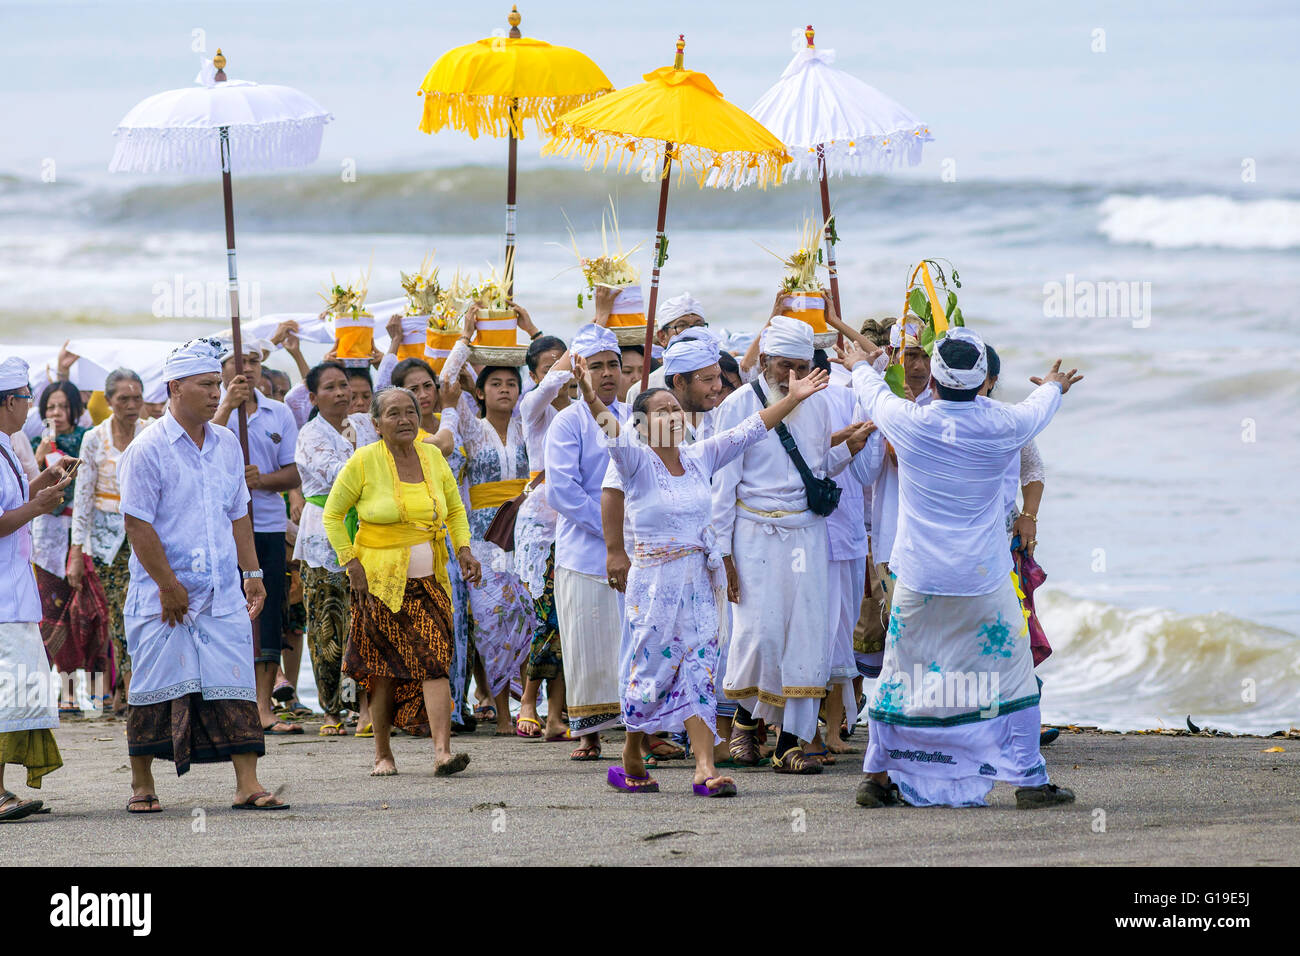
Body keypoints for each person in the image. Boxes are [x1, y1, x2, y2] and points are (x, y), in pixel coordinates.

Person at [842, 330, 1082, 809]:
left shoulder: (908, 421)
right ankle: (1031, 784)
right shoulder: (1006, 424)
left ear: (932, 377)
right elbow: (1042, 405)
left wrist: (859, 363)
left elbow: (871, 389)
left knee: (900, 675)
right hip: (983, 578)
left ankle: (877, 778)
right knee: (1011, 679)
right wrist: (1054, 383)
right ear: (983, 382)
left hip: (919, 578)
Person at [582, 349, 831, 795]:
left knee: (699, 670)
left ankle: (704, 770)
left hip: (698, 582)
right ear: (641, 425)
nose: (674, 417)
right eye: (662, 412)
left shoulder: (700, 456)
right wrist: (587, 393)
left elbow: (750, 429)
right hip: (654, 585)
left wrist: (792, 399)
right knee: (652, 673)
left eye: (676, 410)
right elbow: (609, 428)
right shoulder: (635, 461)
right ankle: (631, 752)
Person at [118, 337, 285, 812]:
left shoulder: (226, 444)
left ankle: (247, 784)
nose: (217, 393)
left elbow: (239, 513)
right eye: (206, 384)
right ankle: (143, 784)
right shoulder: (147, 448)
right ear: (175, 387)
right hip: (162, 592)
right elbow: (137, 523)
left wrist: (251, 571)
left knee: (232, 678)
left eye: (218, 383)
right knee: (154, 682)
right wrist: (168, 585)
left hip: (221, 589)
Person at [712, 316, 866, 775]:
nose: (794, 378)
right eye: (784, 367)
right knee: (759, 634)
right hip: (753, 533)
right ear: (763, 363)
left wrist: (849, 451)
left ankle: (790, 742)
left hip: (807, 534)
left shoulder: (818, 406)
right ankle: (743, 722)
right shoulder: (738, 405)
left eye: (802, 367)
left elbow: (816, 472)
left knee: (806, 634)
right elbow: (722, 487)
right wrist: (724, 557)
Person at [322, 386, 481, 776]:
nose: (405, 419)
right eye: (393, 413)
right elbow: (332, 515)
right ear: (376, 423)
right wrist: (351, 562)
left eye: (410, 411)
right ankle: (383, 755)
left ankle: (443, 752)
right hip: (379, 585)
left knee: (435, 663)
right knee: (384, 669)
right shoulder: (363, 461)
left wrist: (464, 550)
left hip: (430, 582)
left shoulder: (432, 455)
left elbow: (456, 510)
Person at [433, 309, 537, 736]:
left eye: (512, 383)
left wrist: (530, 331)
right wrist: (464, 338)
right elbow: (445, 383)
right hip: (482, 536)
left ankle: (531, 702)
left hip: (528, 529)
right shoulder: (470, 429)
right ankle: (500, 710)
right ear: (480, 390)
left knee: (531, 615)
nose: (506, 389)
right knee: (490, 620)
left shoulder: (532, 422)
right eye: (496, 383)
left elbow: (550, 373)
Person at [544, 323, 630, 760]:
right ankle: (587, 733)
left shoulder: (637, 418)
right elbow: (562, 491)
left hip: (636, 545)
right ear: (579, 373)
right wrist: (612, 528)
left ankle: (643, 727)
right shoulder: (566, 421)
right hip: (584, 548)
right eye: (595, 366)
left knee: (633, 639)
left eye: (613, 364)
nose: (607, 373)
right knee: (586, 640)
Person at [212, 337, 303, 735]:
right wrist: (228, 406)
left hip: (264, 524)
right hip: (219, 527)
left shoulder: (278, 413)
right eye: (239, 361)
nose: (247, 368)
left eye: (253, 361)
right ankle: (227, 705)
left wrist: (262, 480)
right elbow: (196, 454)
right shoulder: (212, 413)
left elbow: (295, 472)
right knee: (223, 614)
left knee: (265, 615)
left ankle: (264, 706)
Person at [0, 357, 73, 821]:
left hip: (12, 586)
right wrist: (37, 507)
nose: (30, 405)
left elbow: (12, 500)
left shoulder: (8, 446)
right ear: (8, 401)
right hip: (2, 594)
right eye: (27, 397)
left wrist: (39, 485)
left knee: (16, 688)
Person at [294, 361, 379, 736]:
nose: (341, 393)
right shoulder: (310, 434)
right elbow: (339, 474)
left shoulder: (364, 423)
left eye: (344, 385)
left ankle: (366, 707)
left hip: (368, 528)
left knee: (366, 619)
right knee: (326, 621)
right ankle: (330, 709)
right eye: (330, 387)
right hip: (324, 532)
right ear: (313, 397)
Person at [68, 368, 147, 716]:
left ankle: (136, 686)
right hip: (106, 543)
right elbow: (82, 497)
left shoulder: (150, 433)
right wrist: (76, 551)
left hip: (145, 534)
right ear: (109, 401)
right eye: (123, 399)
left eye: (137, 398)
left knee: (146, 611)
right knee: (120, 612)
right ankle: (130, 687)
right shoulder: (94, 438)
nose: (131, 405)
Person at [512, 332, 572, 741]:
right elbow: (550, 386)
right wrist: (597, 324)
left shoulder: (589, 410)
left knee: (569, 618)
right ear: (534, 373)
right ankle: (529, 701)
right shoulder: (531, 407)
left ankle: (555, 715)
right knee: (547, 616)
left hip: (576, 522)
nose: (559, 372)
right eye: (548, 366)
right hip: (539, 525)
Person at [30, 380, 89, 579]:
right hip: (46, 530)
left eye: (64, 406)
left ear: (76, 409)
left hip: (79, 527)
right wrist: (39, 458)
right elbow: (26, 489)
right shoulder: (37, 443)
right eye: (51, 407)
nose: (57, 413)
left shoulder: (88, 439)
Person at [623, 292, 710, 404]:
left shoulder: (722, 377)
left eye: (698, 325)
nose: (692, 332)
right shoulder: (642, 389)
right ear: (662, 337)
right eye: (682, 326)